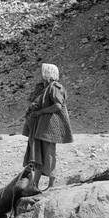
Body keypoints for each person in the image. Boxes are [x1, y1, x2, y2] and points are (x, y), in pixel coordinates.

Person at [21, 62, 73, 190]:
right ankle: (35, 184)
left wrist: (40, 112)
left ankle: (51, 185)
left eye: (43, 72)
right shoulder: (43, 88)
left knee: (49, 153)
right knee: (37, 154)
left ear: (48, 73)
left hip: (49, 127)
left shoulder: (55, 87)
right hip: (40, 127)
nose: (41, 75)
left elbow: (58, 106)